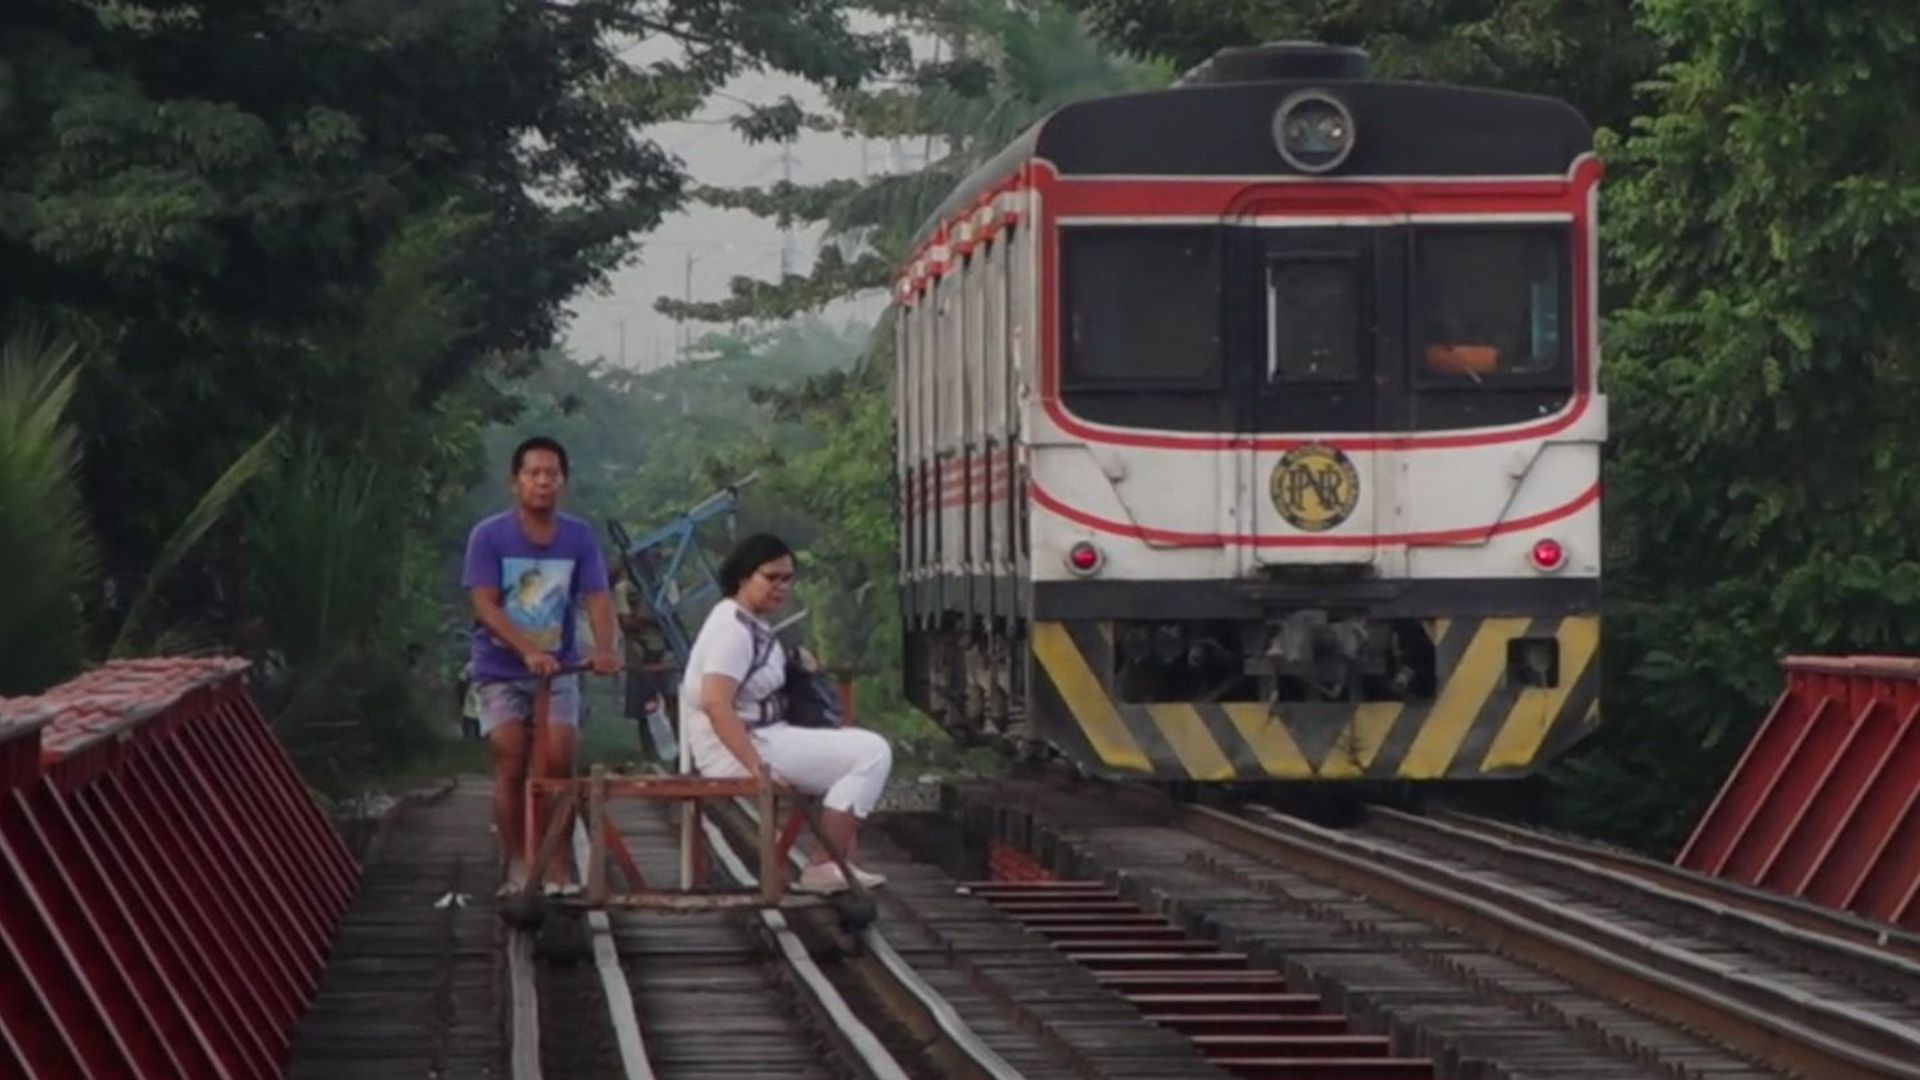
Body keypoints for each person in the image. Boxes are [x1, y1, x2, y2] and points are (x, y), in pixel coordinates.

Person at [680, 533, 893, 893]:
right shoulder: (731, 629)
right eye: (771, 577)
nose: (781, 587)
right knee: (871, 754)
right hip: (738, 748)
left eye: (787, 578)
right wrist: (755, 768)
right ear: (744, 577)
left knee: (860, 752)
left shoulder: (748, 621)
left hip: (762, 737)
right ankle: (826, 865)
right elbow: (717, 703)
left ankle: (838, 860)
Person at [462, 435, 621, 896]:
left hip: (562, 669)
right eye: (534, 473)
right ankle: (515, 859)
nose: (543, 482)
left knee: (558, 757)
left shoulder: (578, 536)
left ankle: (555, 858)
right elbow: (486, 605)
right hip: (500, 667)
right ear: (516, 482)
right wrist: (527, 649)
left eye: (552, 474)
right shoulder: (489, 536)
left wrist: (605, 648)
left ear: (563, 482)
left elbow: (597, 597)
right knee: (510, 754)